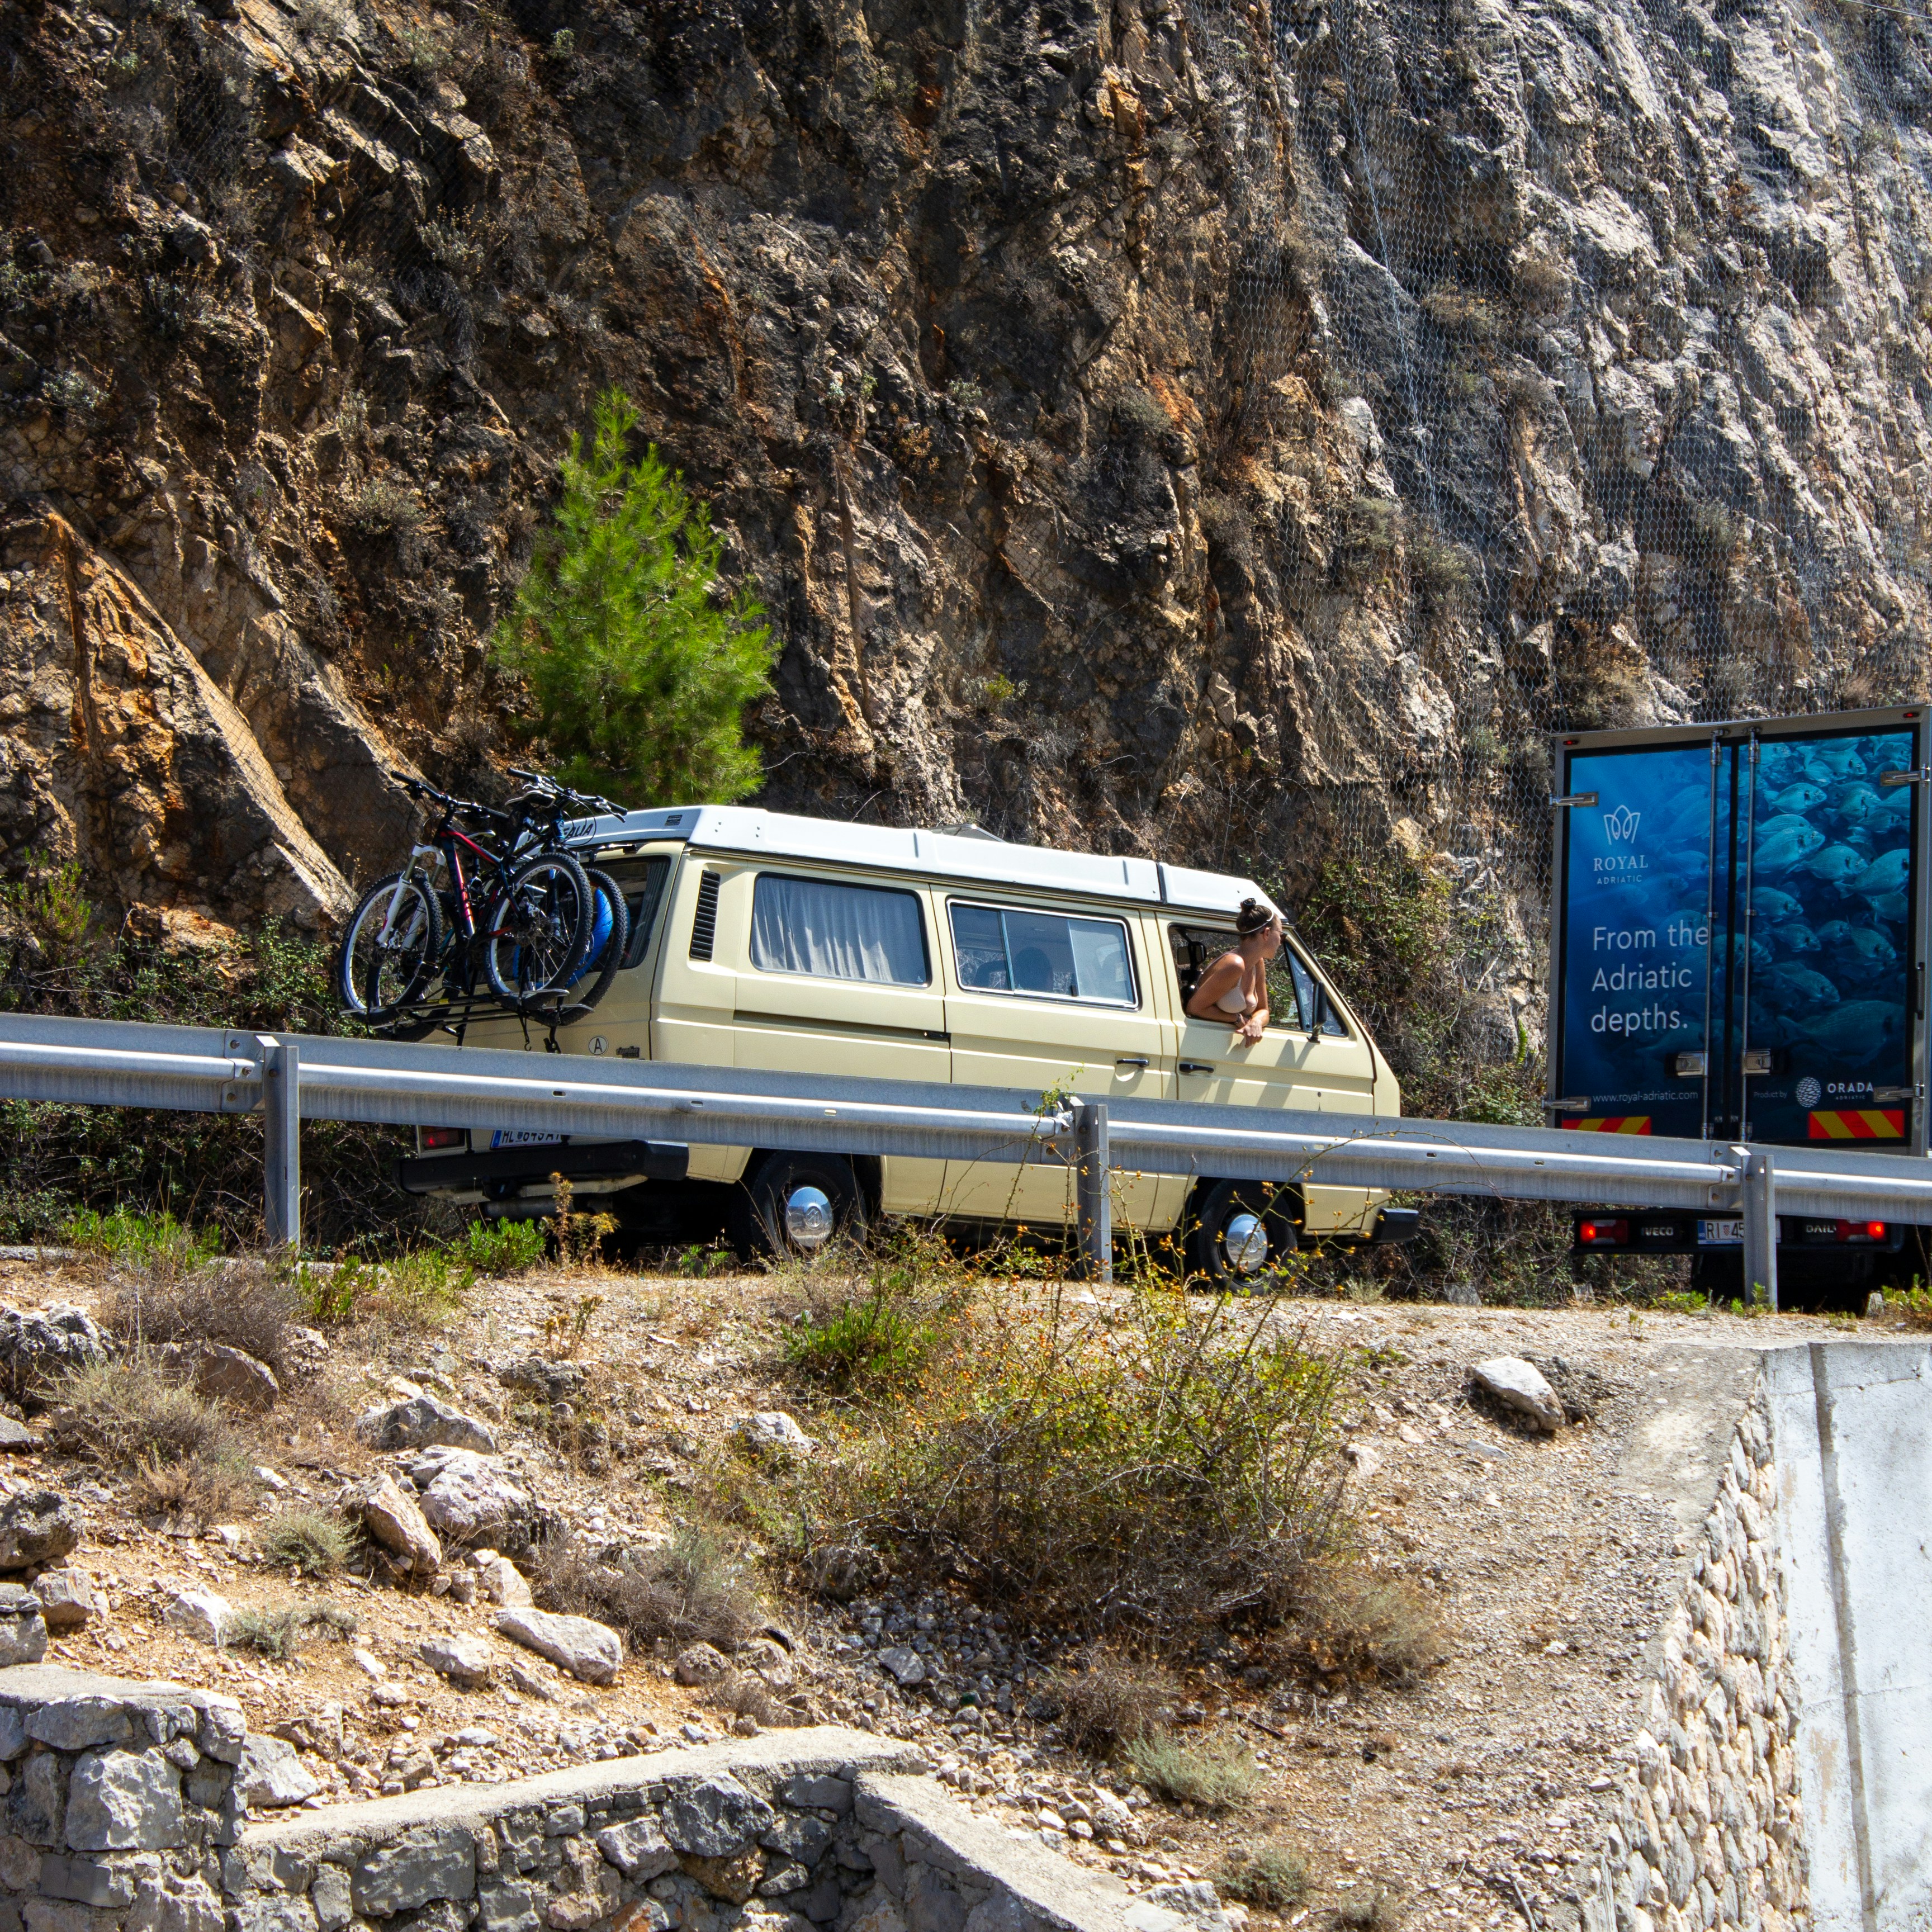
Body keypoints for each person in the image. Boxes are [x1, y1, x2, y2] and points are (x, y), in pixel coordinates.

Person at [1185, 898, 1283, 1045]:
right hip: (1202, 1042)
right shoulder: (1234, 965)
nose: (1280, 941)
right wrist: (1236, 1019)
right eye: (1280, 934)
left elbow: (1264, 1010)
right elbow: (1195, 1008)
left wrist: (1256, 1022)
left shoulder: (1258, 963)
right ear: (1267, 933)